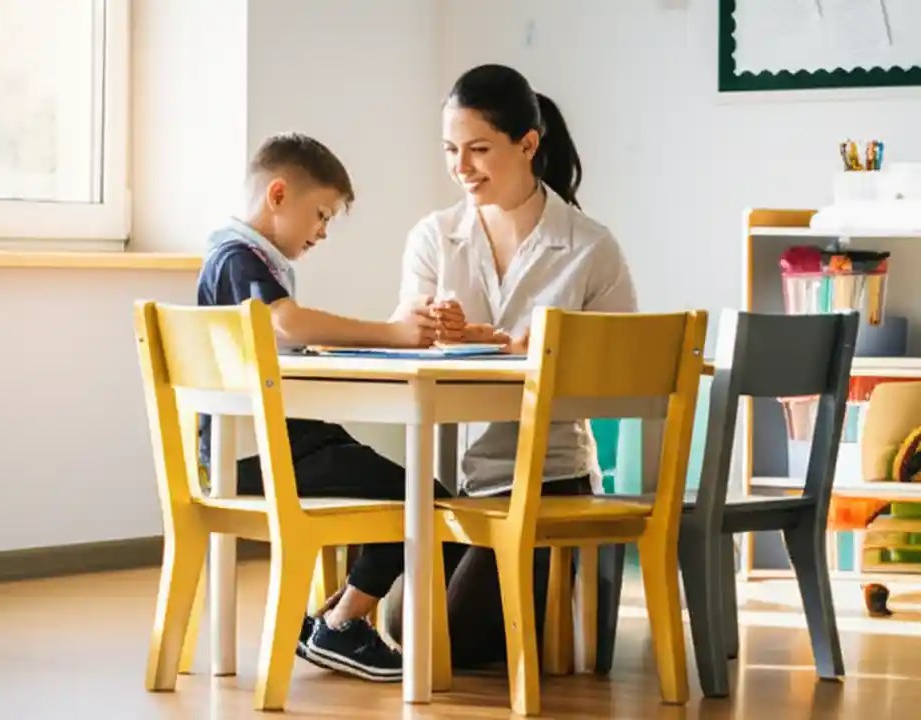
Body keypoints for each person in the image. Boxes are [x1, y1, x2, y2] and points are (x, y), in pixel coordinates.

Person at [383, 64, 638, 667]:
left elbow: (622, 374)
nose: (460, 167)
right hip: (467, 486)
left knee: (447, 638)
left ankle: (547, 600)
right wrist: (422, 327)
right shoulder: (434, 237)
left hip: (554, 483)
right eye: (450, 149)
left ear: (528, 144)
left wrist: (512, 346)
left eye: (478, 149)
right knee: (404, 622)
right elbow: (401, 336)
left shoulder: (589, 247)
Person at [195, 132, 466, 682]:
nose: (322, 231)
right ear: (277, 195)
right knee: (422, 494)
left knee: (386, 473)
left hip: (272, 444)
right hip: (256, 454)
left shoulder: (244, 260)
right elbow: (284, 322)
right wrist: (391, 332)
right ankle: (342, 626)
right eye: (320, 214)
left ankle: (332, 621)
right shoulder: (236, 257)